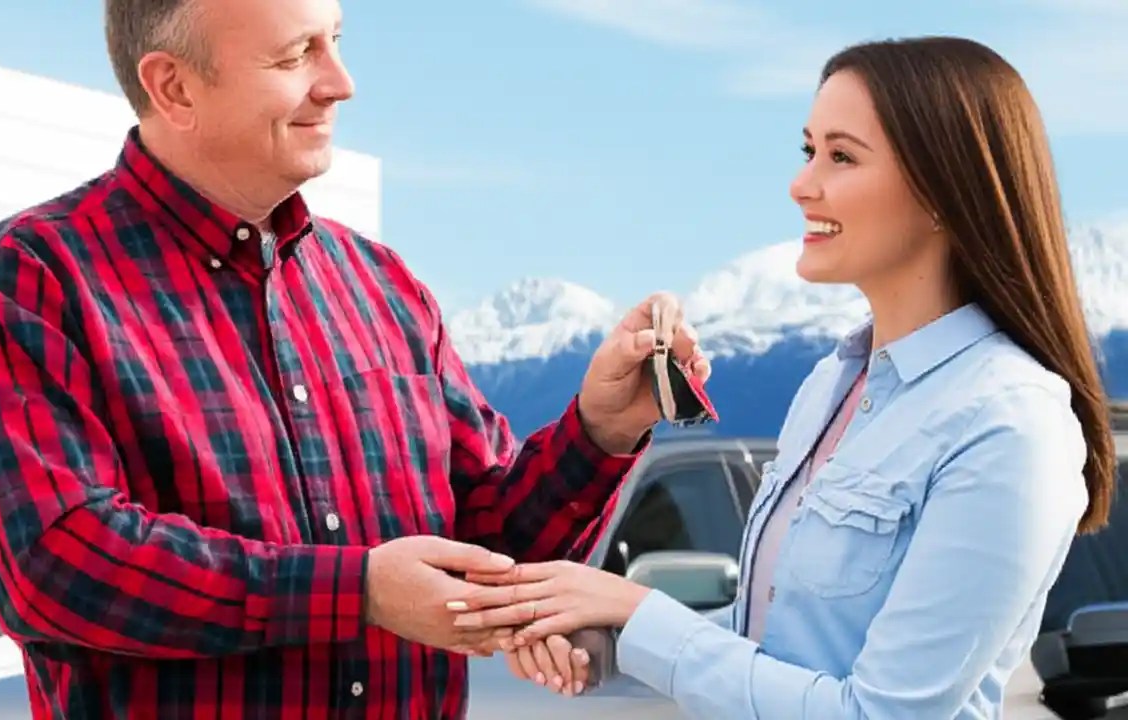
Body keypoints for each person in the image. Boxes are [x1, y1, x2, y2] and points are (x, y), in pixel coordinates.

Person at [0, 0, 710, 717]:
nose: (340, 84)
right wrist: (357, 591)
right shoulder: (33, 276)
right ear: (174, 87)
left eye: (334, 42)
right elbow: (60, 562)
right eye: (295, 55)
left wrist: (599, 431)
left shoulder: (384, 287)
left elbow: (490, 551)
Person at [446, 35, 1118, 717]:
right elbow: (769, 649)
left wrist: (638, 609)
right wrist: (608, 641)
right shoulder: (832, 385)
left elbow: (883, 713)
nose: (802, 184)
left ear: (944, 189)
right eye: (809, 151)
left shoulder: (1009, 419)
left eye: (842, 156)